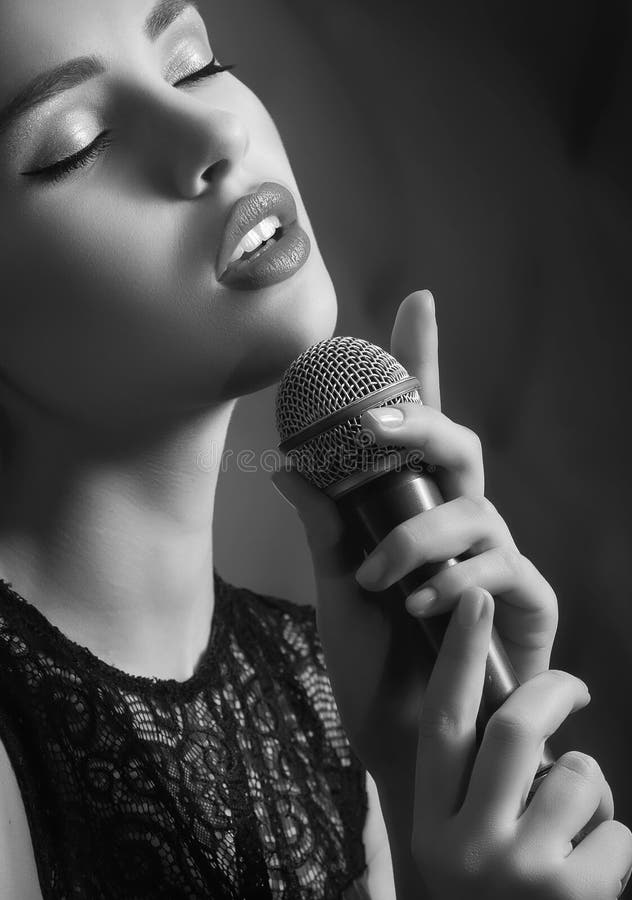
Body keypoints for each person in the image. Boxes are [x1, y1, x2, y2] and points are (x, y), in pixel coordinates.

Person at [0, 1, 629, 898]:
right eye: (75, 143)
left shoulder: (323, 691)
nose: (211, 128)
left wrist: (422, 779)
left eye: (192, 62)